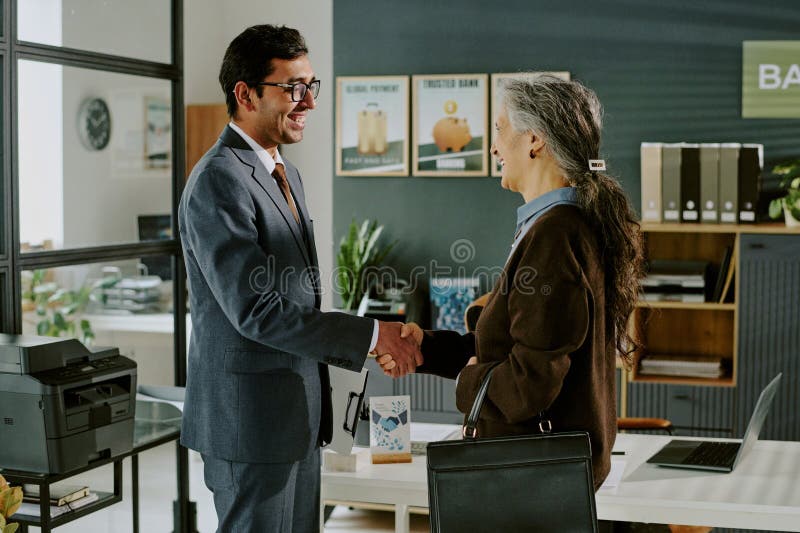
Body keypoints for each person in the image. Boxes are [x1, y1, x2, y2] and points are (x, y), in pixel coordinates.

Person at [179, 24, 421, 533]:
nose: (307, 101)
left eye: (311, 86)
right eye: (292, 88)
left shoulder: (283, 172)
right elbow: (257, 310)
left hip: (297, 417)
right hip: (250, 425)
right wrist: (374, 335)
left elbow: (298, 298)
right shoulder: (218, 180)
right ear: (244, 94)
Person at [378, 74, 643, 489]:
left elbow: (529, 381)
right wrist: (425, 348)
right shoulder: (565, 226)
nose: (493, 146)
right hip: (543, 477)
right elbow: (511, 348)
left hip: (531, 481)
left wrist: (468, 384)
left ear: (534, 140)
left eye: (500, 129)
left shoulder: (555, 235)